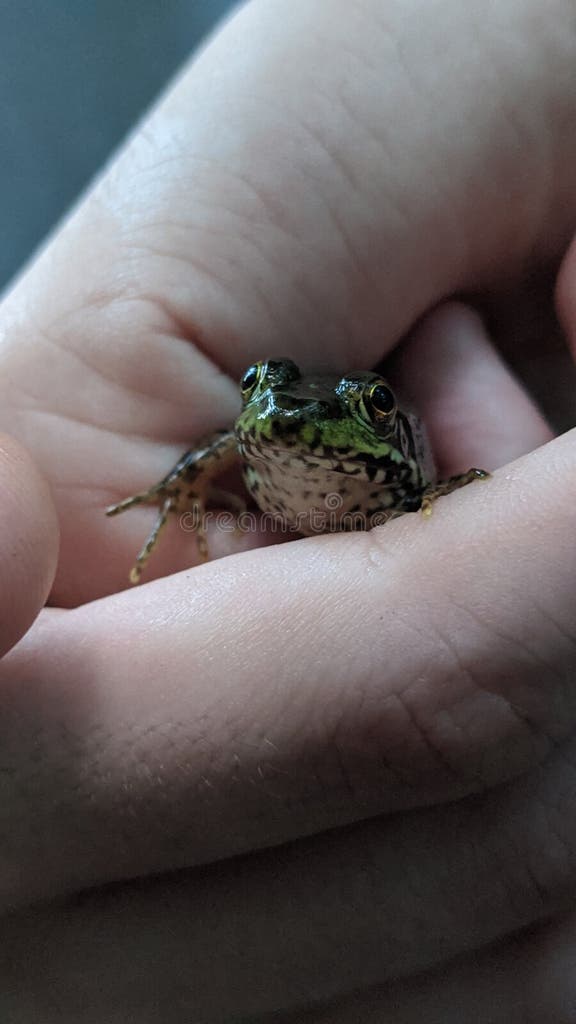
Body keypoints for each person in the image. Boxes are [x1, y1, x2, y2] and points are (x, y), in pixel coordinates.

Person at [1, 0, 576, 1018]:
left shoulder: (408, 481)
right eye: (266, 396)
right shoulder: (257, 434)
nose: (280, 417)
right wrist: (179, 485)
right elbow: (228, 439)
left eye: (351, 412)